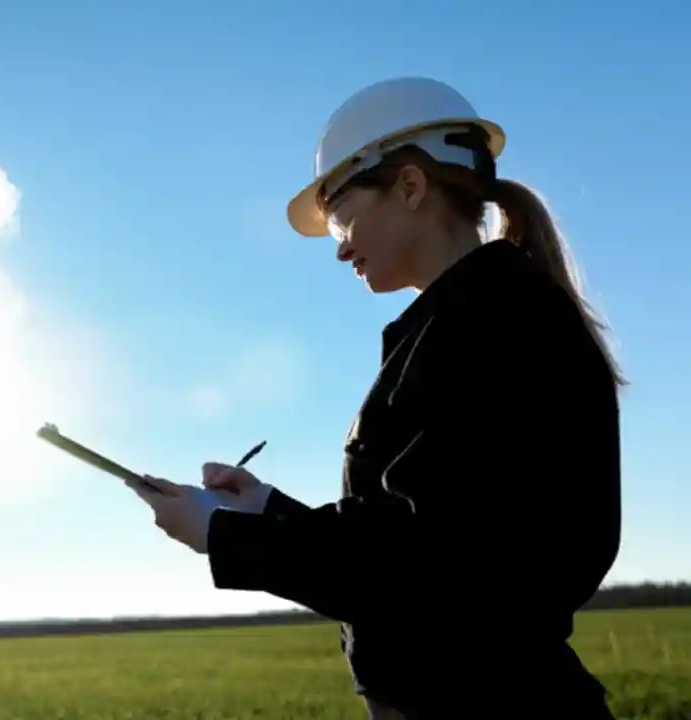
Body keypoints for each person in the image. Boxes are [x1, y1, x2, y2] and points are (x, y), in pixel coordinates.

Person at [127, 77, 624, 719]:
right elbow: (415, 529)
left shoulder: (496, 321)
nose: (338, 247)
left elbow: (430, 563)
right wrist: (266, 509)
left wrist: (225, 536)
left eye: (341, 215)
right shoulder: (463, 320)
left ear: (411, 187)